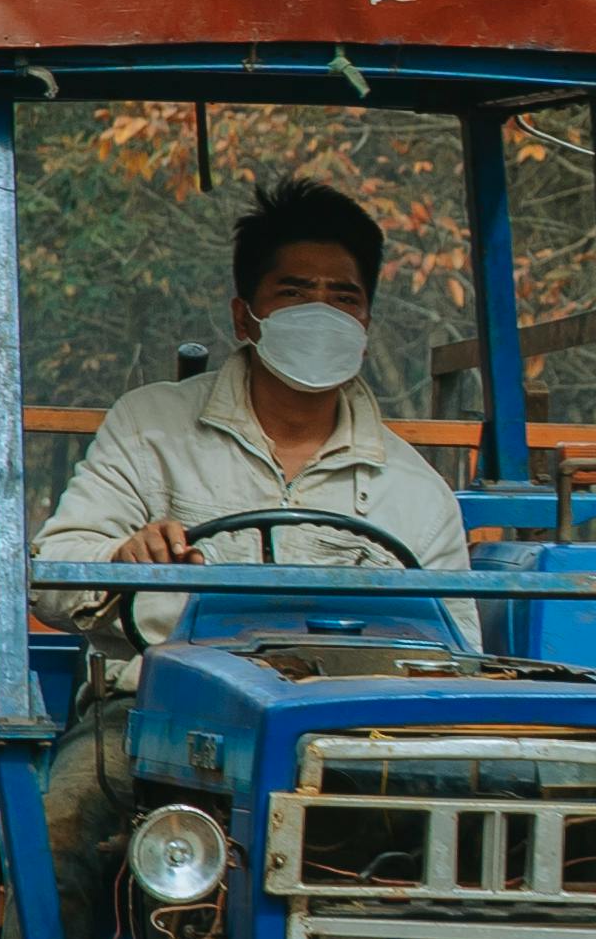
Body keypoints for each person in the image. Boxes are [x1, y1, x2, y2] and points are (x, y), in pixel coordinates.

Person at [30, 179, 469, 638]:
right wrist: (121, 559)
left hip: (344, 706)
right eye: (294, 294)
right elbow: (49, 578)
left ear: (364, 330)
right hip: (156, 696)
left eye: (343, 299)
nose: (320, 316)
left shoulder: (418, 494)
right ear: (244, 317)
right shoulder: (149, 428)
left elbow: (457, 650)